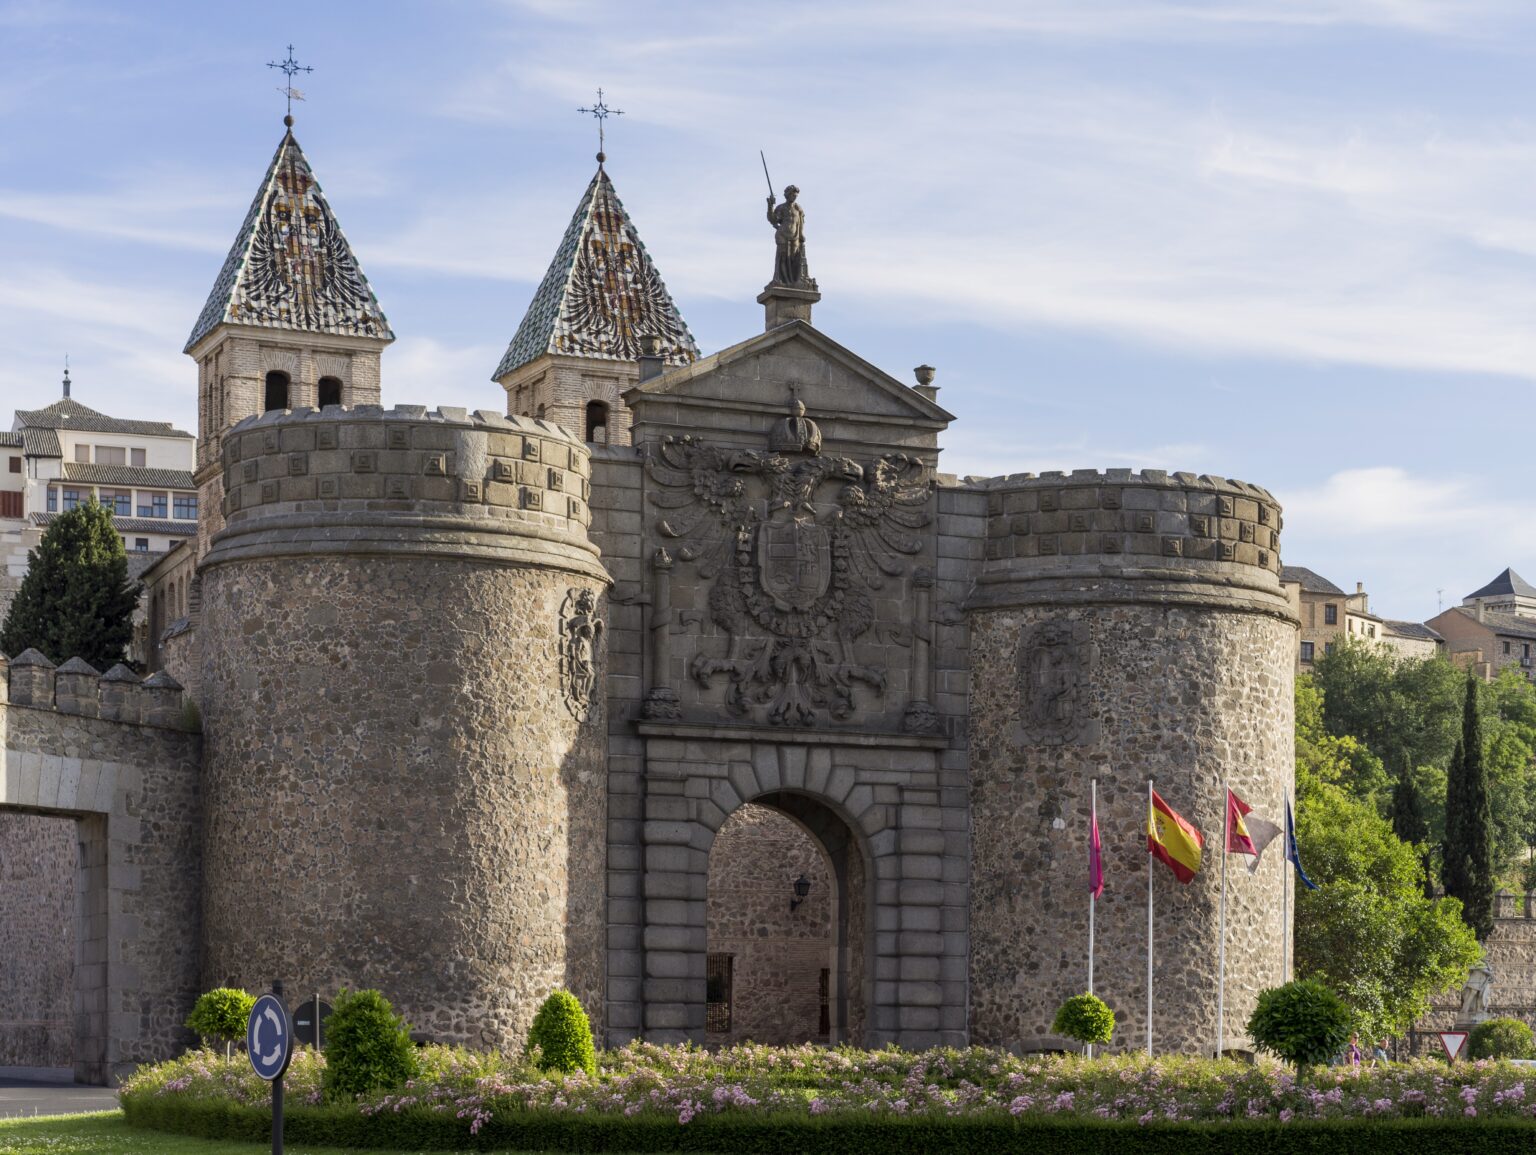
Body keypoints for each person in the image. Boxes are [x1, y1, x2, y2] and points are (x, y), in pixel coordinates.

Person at [766, 185, 810, 287]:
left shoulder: (798, 208)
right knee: (783, 258)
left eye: (795, 195)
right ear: (787, 195)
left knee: (793, 258)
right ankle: (782, 280)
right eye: (792, 195)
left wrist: (801, 234)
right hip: (782, 235)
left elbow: (801, 223)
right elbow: (773, 219)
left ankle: (794, 280)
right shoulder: (781, 207)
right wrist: (770, 206)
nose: (794, 197)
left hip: (795, 236)